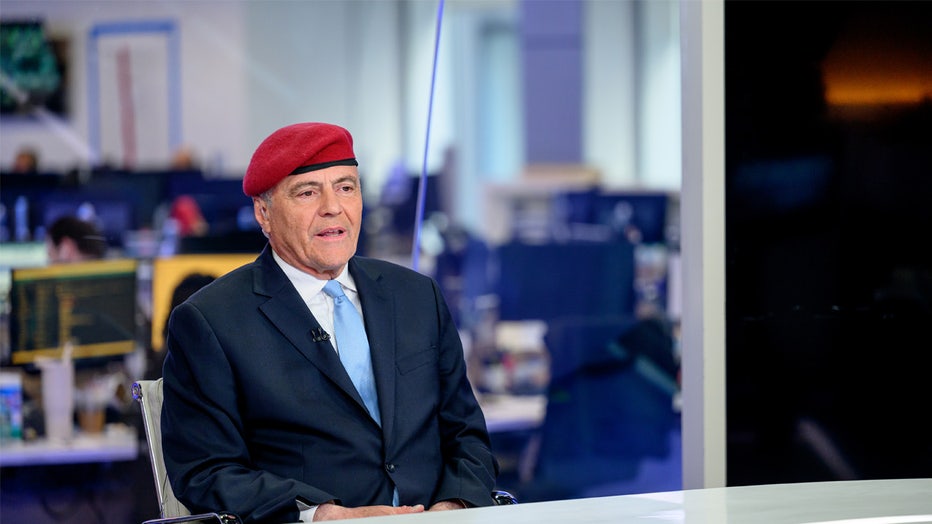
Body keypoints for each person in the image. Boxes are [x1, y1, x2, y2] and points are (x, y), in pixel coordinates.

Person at [161, 122, 499, 523]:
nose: (332, 207)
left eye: (346, 187)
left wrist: (453, 507)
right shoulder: (211, 322)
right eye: (307, 193)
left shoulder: (416, 296)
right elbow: (205, 472)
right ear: (264, 214)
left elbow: (466, 435)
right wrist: (318, 514)